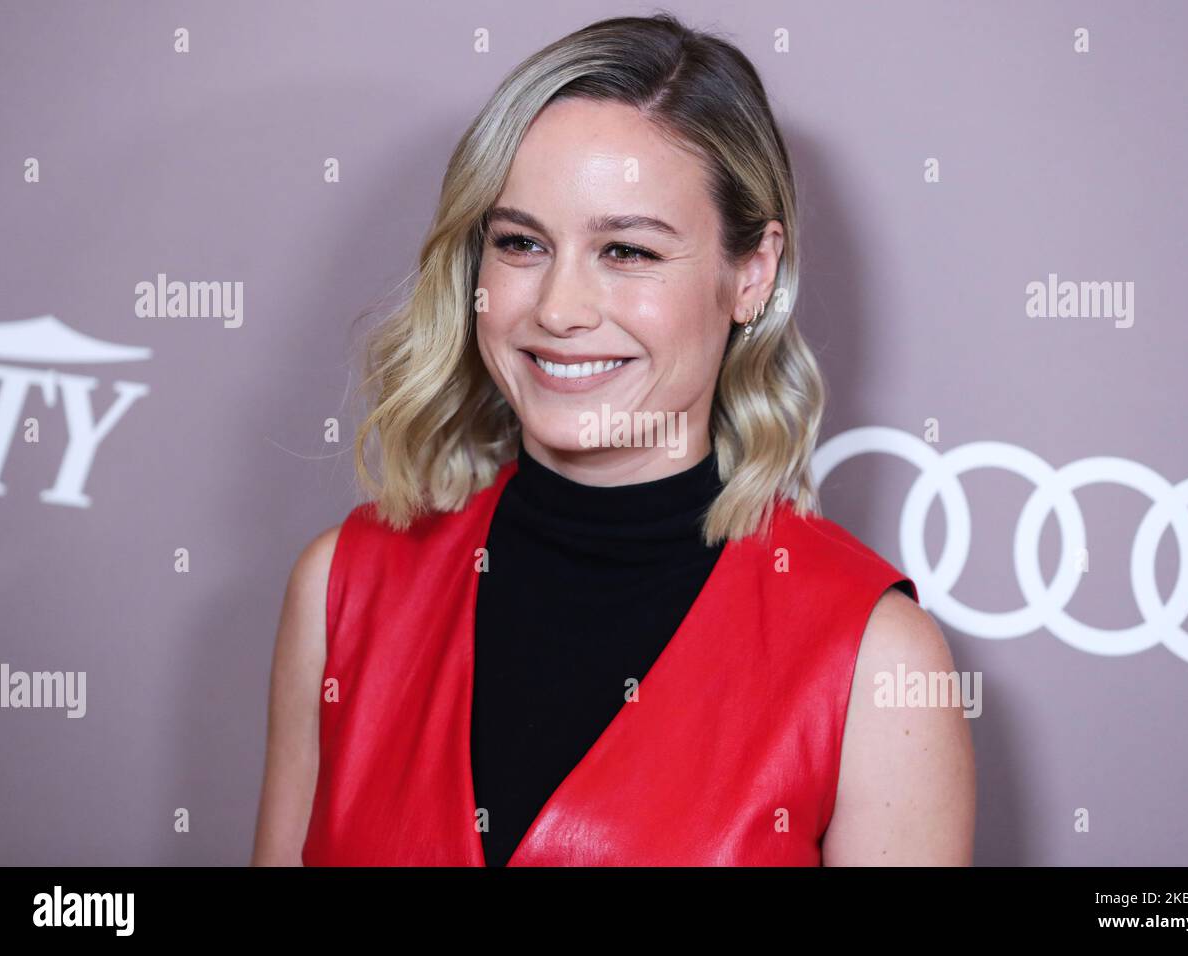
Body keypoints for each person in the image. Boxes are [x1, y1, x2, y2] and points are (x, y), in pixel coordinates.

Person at [252, 12, 975, 866]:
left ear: (752, 273)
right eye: (521, 243)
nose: (557, 309)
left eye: (627, 251)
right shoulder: (344, 588)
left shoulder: (875, 662)